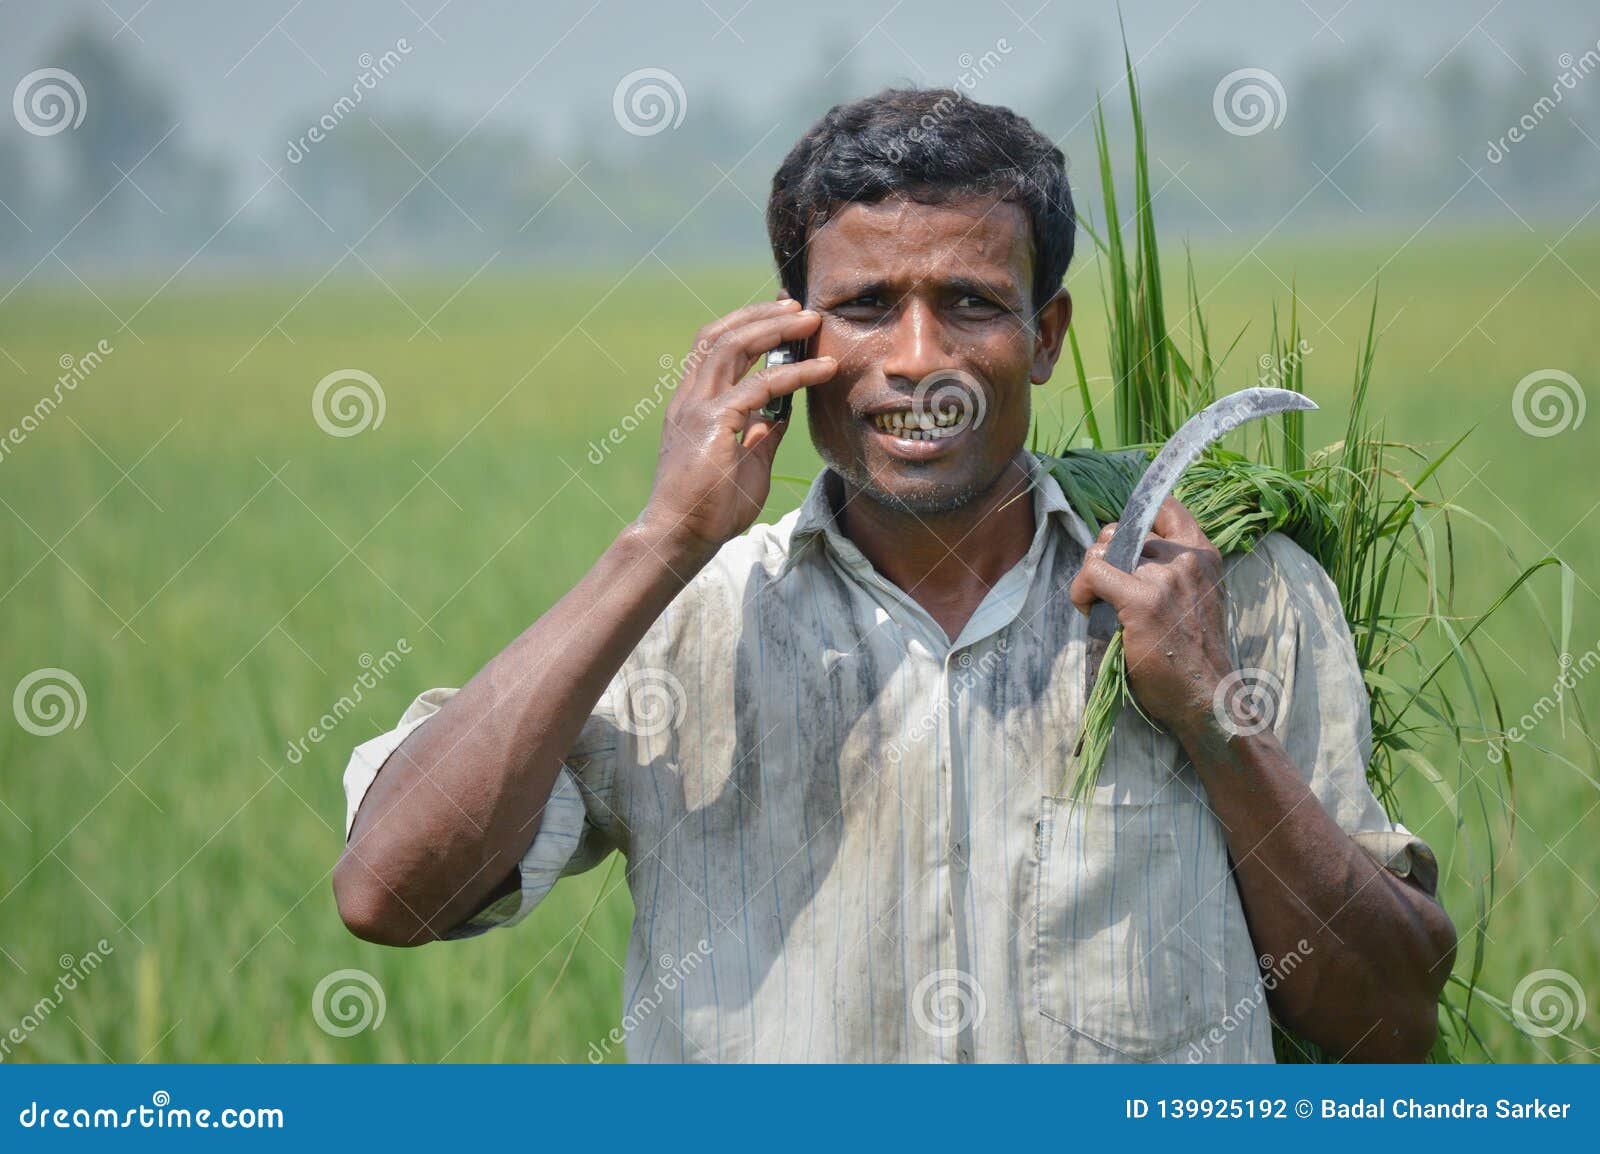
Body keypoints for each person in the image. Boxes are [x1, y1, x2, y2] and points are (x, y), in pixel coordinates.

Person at [333, 88, 1455, 1062]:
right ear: (792, 343)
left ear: (1046, 333)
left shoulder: (1226, 594)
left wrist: (1215, 716)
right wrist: (663, 540)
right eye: (866, 307)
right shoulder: (687, 625)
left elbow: (1389, 1021)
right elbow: (389, 892)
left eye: (970, 301)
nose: (918, 358)